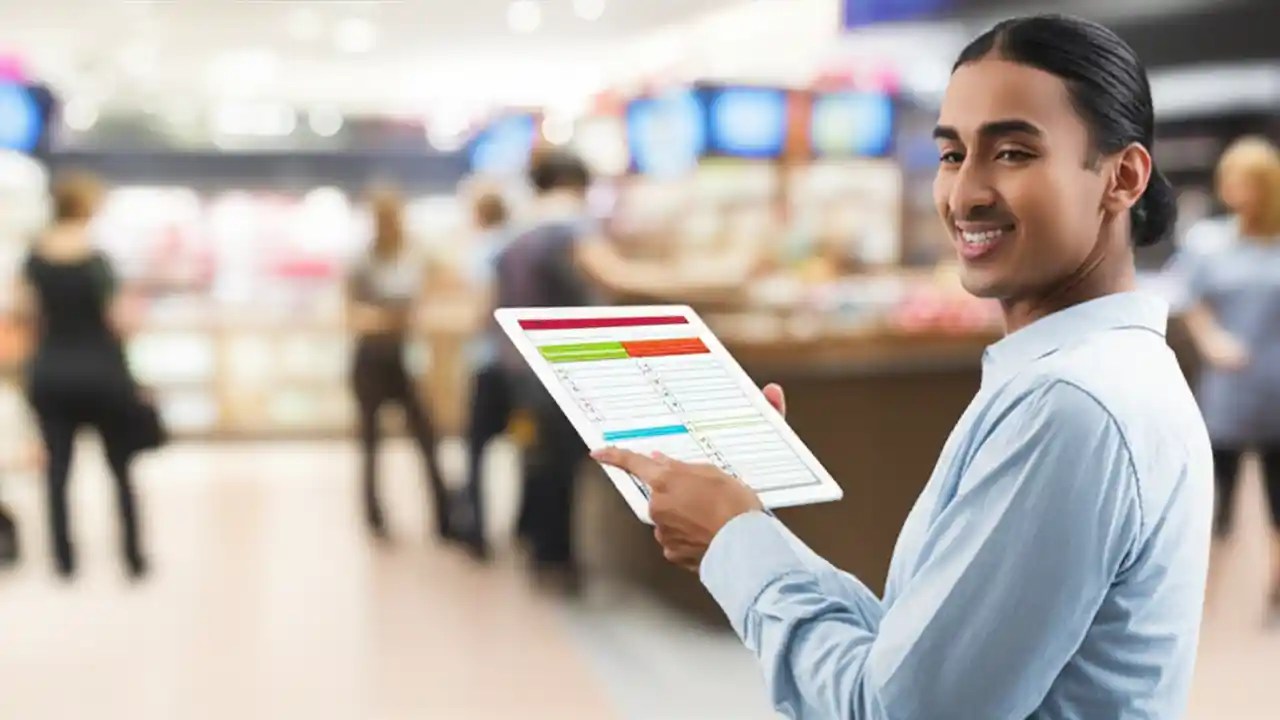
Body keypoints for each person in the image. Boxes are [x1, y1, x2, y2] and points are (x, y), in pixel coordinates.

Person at [596, 15, 1212, 719]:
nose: (966, 194)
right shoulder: (1091, 377)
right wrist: (745, 526)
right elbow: (910, 659)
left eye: (1012, 153)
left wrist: (734, 545)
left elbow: (898, 712)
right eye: (953, 155)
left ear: (1122, 177)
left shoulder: (1071, 407)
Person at [15, 172, 149, 579]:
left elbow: (21, 311)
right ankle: (131, 555)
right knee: (120, 467)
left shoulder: (35, 259)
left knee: (57, 470)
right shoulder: (97, 261)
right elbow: (120, 319)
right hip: (102, 371)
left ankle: (64, 558)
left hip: (52, 369)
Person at [1180, 136, 1280, 611]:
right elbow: (1191, 301)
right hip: (1228, 391)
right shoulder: (1209, 242)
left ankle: (1274, 591)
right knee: (1216, 495)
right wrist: (1212, 340)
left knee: (1277, 498)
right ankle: (1205, 594)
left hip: (1275, 383)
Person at [346, 186, 450, 542]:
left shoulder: (416, 255)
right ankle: (375, 519)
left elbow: (447, 283)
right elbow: (351, 313)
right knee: (371, 444)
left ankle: (444, 516)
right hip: (371, 359)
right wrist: (391, 319)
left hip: (405, 357)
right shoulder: (362, 260)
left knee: (427, 438)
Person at [458, 190, 514, 561]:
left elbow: (483, 304)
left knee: (477, 448)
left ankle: (476, 530)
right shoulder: (516, 243)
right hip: (519, 363)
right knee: (526, 447)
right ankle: (525, 527)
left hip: (488, 360)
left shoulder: (483, 251)